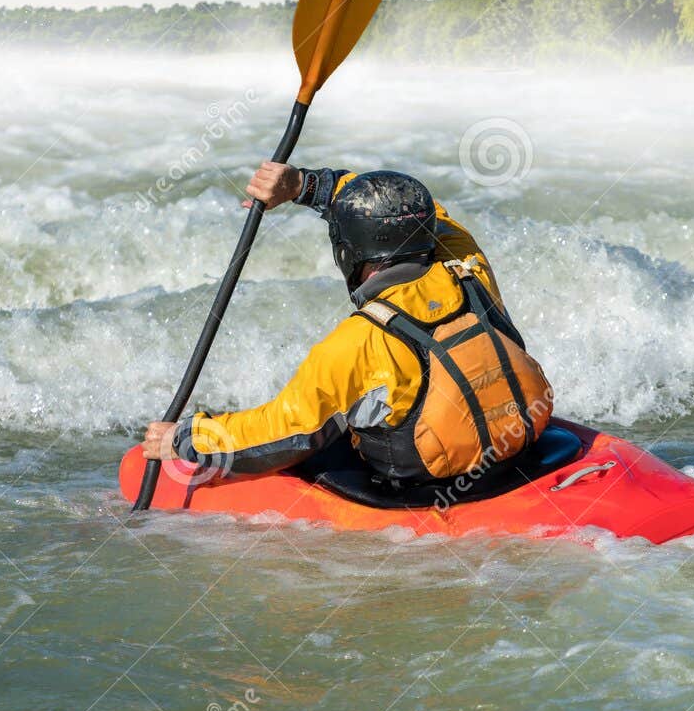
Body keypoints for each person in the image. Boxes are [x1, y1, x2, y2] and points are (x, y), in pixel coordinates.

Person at [141, 163, 553, 489]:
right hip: (517, 449)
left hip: (428, 481)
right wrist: (305, 185)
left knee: (321, 436)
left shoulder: (358, 343)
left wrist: (186, 439)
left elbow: (283, 430)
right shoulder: (468, 265)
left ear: (348, 255)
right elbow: (427, 211)